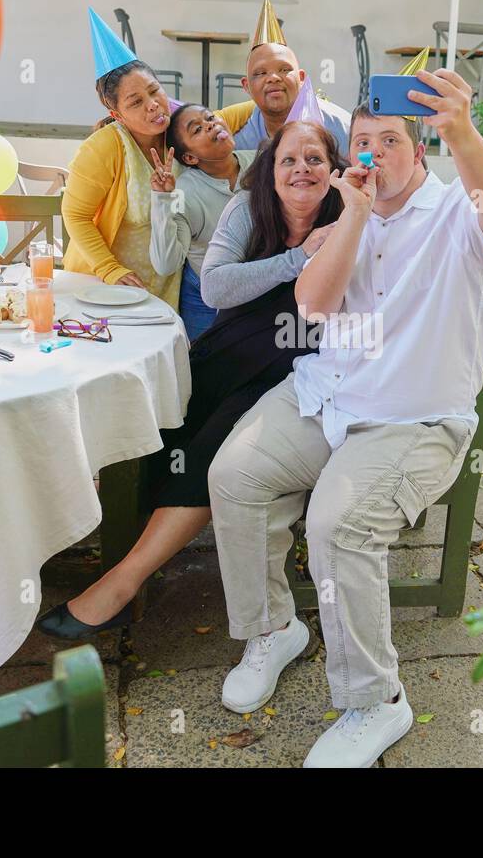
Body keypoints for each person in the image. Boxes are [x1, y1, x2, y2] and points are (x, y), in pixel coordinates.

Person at [207, 67, 483, 768]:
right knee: (234, 473)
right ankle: (274, 628)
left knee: (337, 523)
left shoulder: (456, 211)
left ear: (420, 151)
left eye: (391, 140)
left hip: (414, 421)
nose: (375, 154)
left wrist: (462, 129)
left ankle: (375, 700)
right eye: (363, 141)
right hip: (328, 395)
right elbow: (315, 307)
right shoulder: (342, 211)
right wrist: (351, 214)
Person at [36, 120, 345, 639]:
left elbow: (422, 249)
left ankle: (123, 581)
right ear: (269, 171)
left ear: (334, 171)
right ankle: (126, 541)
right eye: (288, 160)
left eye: (314, 159)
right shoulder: (249, 209)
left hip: (299, 367)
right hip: (232, 349)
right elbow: (218, 288)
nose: (301, 170)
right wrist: (299, 256)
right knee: (166, 424)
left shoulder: (352, 217)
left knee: (212, 446)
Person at [61, 9, 248, 306]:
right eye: (136, 102)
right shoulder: (103, 148)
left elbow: (230, 116)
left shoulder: (178, 128)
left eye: (154, 91)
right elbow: (75, 215)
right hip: (103, 287)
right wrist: (109, 269)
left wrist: (293, 94)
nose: (153, 105)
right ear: (117, 114)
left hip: (163, 288)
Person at [147, 105, 257, 341]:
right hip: (204, 295)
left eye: (210, 117)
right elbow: (166, 264)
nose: (210, 124)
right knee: (203, 368)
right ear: (190, 157)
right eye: (197, 129)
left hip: (257, 286)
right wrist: (162, 199)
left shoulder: (263, 165)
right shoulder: (183, 193)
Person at [219, 0, 351, 153]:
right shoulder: (246, 140)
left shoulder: (340, 128)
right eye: (261, 73)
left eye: (284, 70)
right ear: (246, 86)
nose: (273, 78)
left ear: (301, 78)